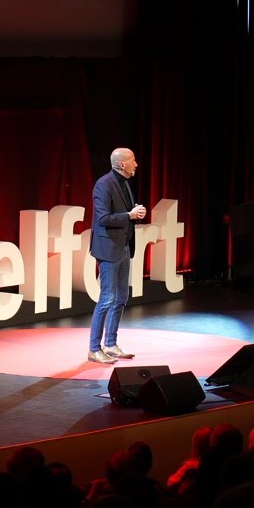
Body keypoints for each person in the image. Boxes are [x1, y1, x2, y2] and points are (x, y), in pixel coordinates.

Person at [87, 147, 146, 364]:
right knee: (107, 299)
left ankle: (110, 344)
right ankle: (94, 348)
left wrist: (135, 214)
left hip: (123, 247)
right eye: (133, 160)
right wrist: (128, 215)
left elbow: (124, 216)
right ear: (122, 164)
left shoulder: (124, 183)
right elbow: (103, 218)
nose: (136, 164)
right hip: (108, 249)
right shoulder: (104, 184)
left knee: (121, 298)